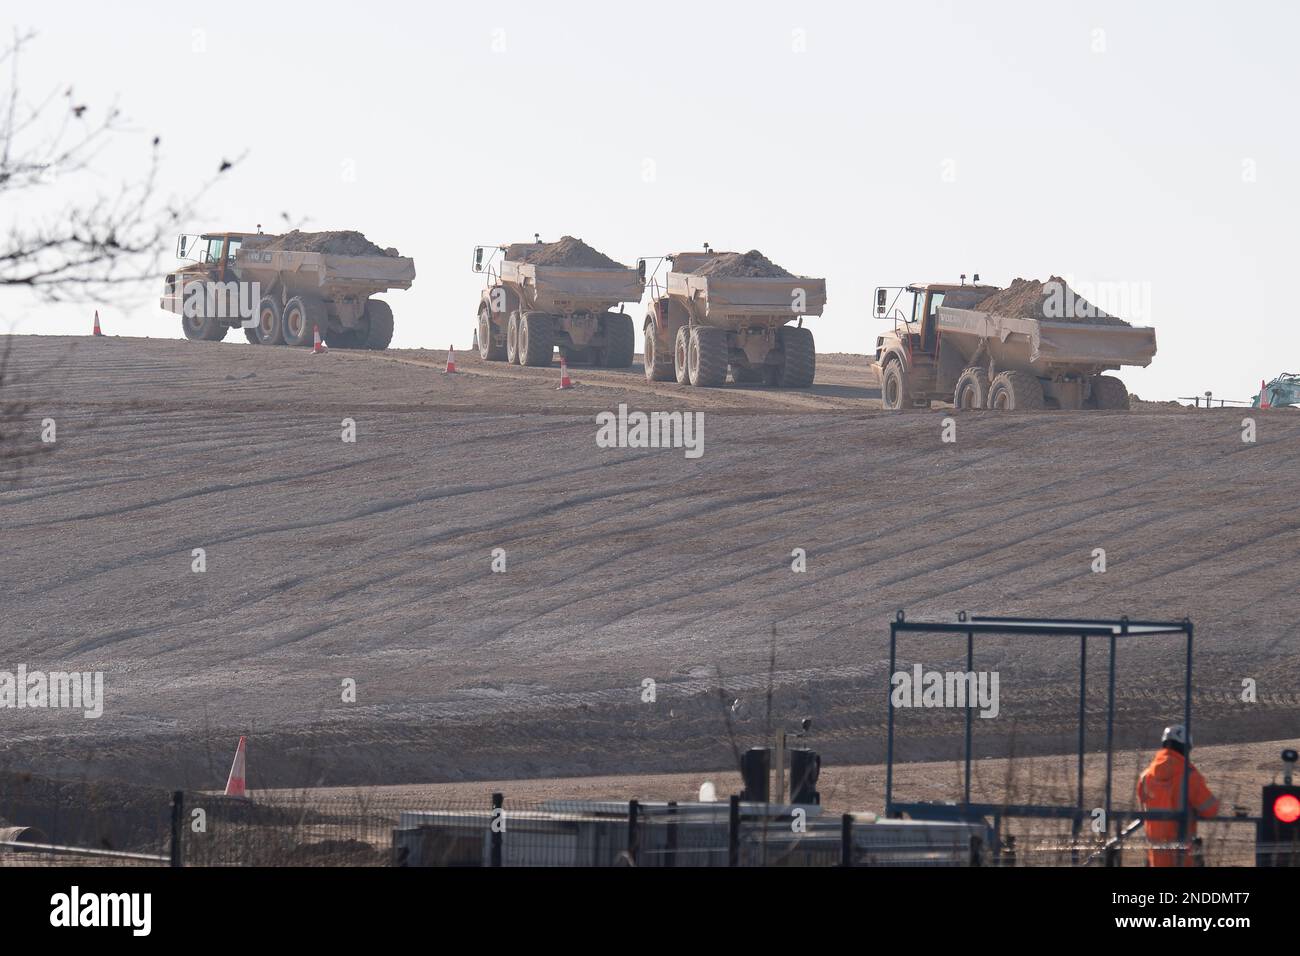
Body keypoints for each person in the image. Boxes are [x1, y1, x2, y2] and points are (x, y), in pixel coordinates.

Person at [1136, 724, 1219, 867]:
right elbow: (1210, 810)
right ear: (1186, 748)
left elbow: (1143, 807)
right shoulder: (1189, 776)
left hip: (1156, 855)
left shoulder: (1146, 776)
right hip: (1182, 853)